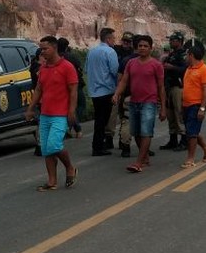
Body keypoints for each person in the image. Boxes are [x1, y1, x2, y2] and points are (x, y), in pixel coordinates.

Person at [24, 36, 79, 191]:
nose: (42, 52)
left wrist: (72, 110)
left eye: (45, 48)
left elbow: (73, 91)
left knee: (54, 145)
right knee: (46, 149)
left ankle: (69, 167)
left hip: (60, 114)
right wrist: (30, 108)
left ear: (54, 48)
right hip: (45, 114)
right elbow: (39, 90)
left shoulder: (67, 67)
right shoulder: (43, 69)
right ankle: (51, 181)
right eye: (41, 49)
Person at [113, 35, 165, 173]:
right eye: (140, 46)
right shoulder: (131, 63)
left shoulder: (156, 65)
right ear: (136, 47)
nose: (142, 48)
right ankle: (145, 157)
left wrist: (163, 108)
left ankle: (139, 162)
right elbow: (124, 81)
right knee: (135, 132)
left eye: (145, 46)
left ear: (150, 48)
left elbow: (161, 87)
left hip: (149, 102)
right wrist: (117, 93)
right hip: (134, 101)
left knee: (146, 132)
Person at [179, 41, 206, 168]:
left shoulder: (204, 70)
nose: (185, 57)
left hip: (196, 105)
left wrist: (202, 108)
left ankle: (190, 158)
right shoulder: (189, 69)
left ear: (191, 55)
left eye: (187, 55)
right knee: (191, 130)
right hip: (186, 105)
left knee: (192, 133)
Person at [85, 27, 119, 156]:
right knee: (103, 120)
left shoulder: (91, 52)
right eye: (113, 38)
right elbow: (115, 71)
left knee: (99, 119)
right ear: (108, 39)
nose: (114, 41)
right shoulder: (110, 52)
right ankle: (98, 146)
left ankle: (98, 144)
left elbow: (87, 70)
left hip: (94, 91)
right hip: (106, 90)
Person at [160, 31, 187, 150]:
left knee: (178, 112)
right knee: (170, 114)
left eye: (173, 40)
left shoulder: (184, 54)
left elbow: (186, 70)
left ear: (179, 41)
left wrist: (173, 68)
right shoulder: (171, 54)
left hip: (178, 86)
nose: (170, 42)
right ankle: (173, 139)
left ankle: (184, 140)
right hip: (168, 86)